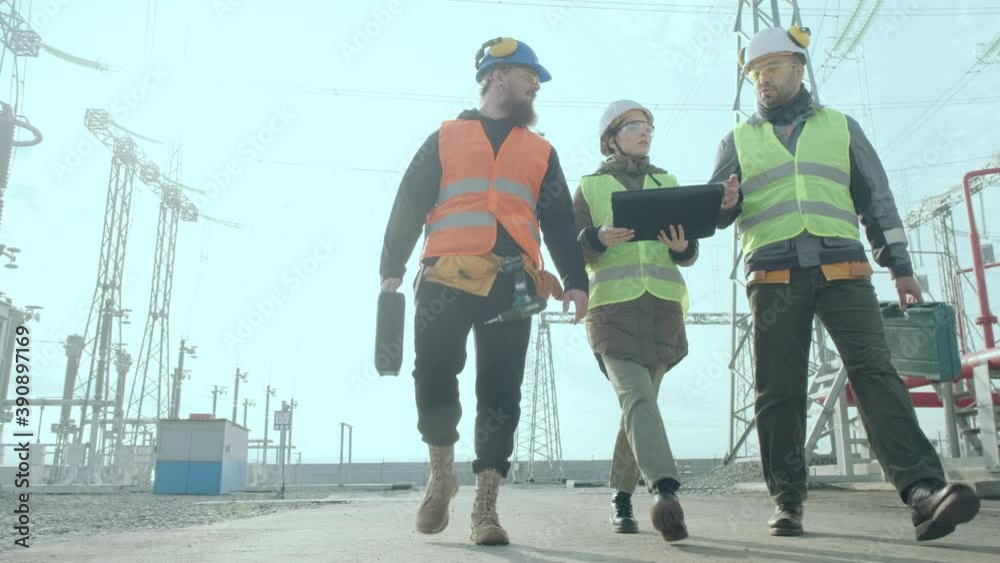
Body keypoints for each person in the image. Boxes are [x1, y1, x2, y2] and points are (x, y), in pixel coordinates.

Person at [711, 25, 981, 540]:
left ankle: (924, 493)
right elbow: (715, 212)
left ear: (798, 70)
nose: (762, 81)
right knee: (778, 392)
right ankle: (787, 500)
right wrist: (720, 205)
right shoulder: (737, 140)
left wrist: (899, 266)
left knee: (876, 373)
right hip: (773, 276)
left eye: (771, 70)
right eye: (754, 74)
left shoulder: (841, 127)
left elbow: (876, 201)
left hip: (844, 270)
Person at [379, 37, 589, 546]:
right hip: (446, 275)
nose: (536, 85)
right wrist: (392, 268)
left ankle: (486, 504)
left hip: (514, 283)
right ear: (497, 77)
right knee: (433, 372)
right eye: (528, 75)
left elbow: (559, 220)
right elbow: (409, 201)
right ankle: (442, 471)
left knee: (500, 390)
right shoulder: (445, 137)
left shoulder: (542, 151)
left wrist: (578, 281)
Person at [574, 100, 732, 542]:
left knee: (639, 406)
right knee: (637, 398)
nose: (645, 133)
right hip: (612, 314)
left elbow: (689, 253)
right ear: (611, 137)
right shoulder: (589, 187)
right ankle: (664, 491)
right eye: (635, 126)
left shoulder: (670, 183)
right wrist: (596, 238)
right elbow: (572, 249)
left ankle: (620, 497)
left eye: (649, 127)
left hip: (662, 312)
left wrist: (682, 247)